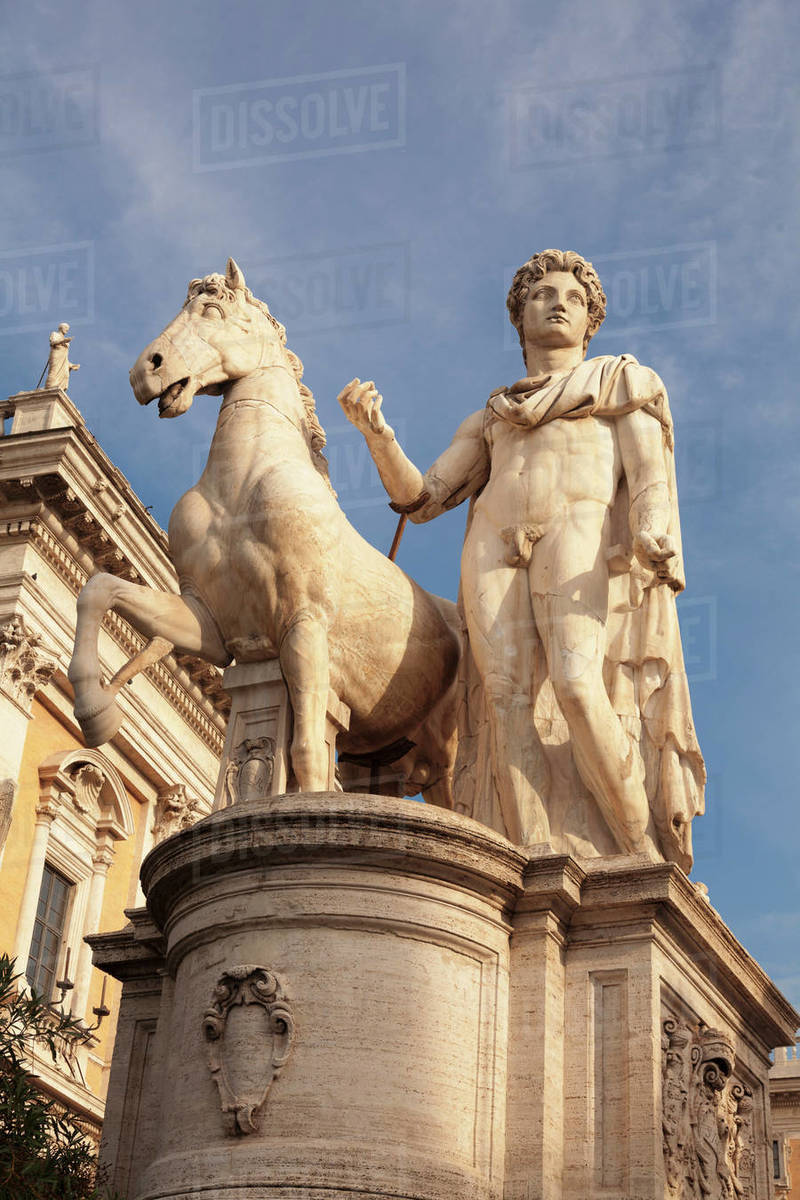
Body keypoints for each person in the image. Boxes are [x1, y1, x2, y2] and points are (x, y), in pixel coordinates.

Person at [338, 249, 704, 867]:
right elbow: (421, 499)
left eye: (575, 299)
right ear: (519, 317)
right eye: (542, 295)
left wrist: (649, 532)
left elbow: (648, 477)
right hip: (494, 539)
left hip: (578, 531)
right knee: (503, 701)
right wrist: (378, 435)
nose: (558, 303)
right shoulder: (492, 416)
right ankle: (531, 859)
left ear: (590, 322)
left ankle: (636, 847)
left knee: (577, 684)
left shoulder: (621, 382)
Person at [45, 323, 80, 390]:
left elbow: (65, 357)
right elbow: (52, 343)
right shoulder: (55, 334)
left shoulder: (66, 341)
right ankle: (49, 387)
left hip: (63, 359)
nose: (67, 330)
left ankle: (59, 388)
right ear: (61, 328)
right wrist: (63, 341)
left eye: (68, 329)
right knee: (54, 371)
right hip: (56, 355)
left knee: (65, 375)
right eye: (66, 328)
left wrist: (72, 365)